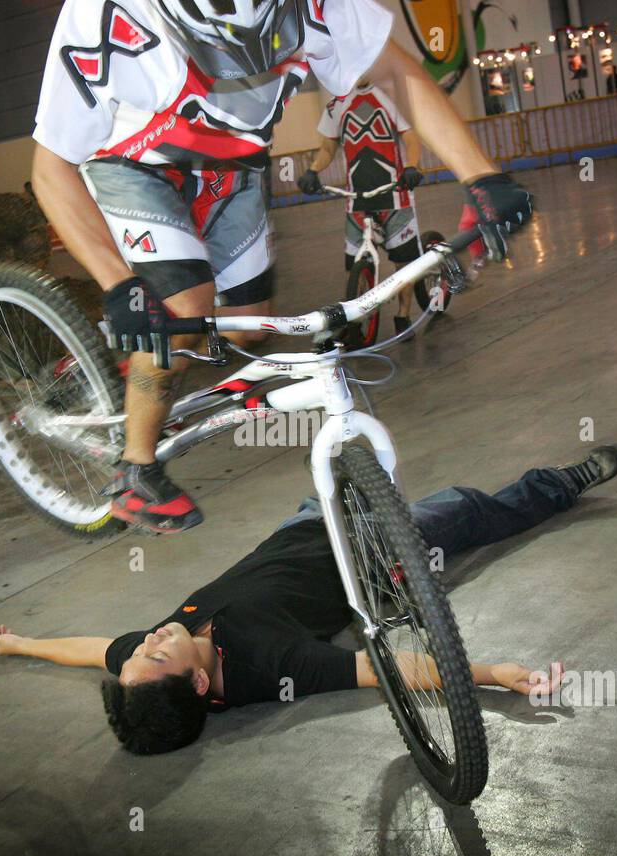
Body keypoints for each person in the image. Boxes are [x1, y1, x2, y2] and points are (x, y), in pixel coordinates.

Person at [29, 0, 533, 534]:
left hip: (236, 163)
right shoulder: (105, 15)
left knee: (249, 324)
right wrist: (119, 285)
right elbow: (49, 167)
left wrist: (482, 178)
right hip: (131, 164)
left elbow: (393, 68)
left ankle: (148, 358)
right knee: (186, 311)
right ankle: (136, 467)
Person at [0, 444, 617, 754]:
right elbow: (384, 671)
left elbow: (93, 649)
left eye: (138, 652)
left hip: (302, 521)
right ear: (202, 683)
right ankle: (560, 485)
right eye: (154, 657)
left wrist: (22, 644)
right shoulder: (272, 665)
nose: (146, 641)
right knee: (462, 509)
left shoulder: (151, 656)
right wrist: (490, 676)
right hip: (368, 555)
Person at [297, 74, 425, 338]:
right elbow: (328, 145)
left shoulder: (392, 95)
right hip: (356, 199)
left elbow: (411, 138)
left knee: (404, 262)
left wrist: (412, 166)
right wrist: (313, 170)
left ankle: (403, 316)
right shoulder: (337, 103)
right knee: (352, 266)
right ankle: (355, 321)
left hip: (394, 195)